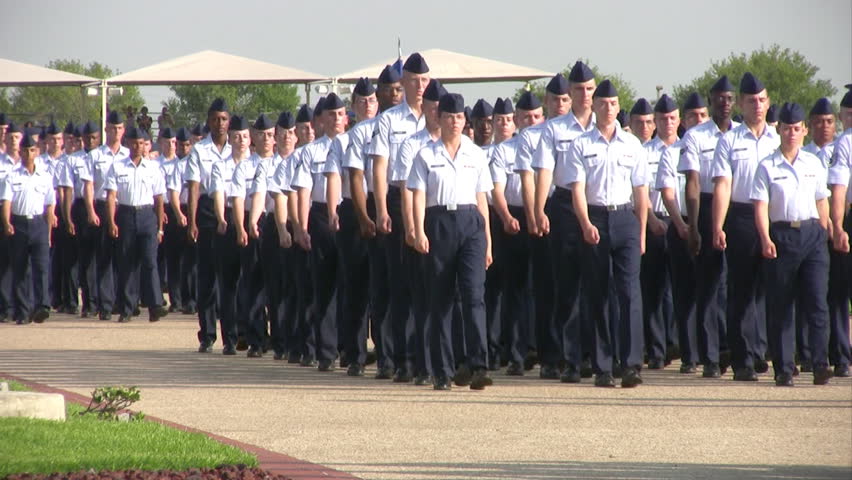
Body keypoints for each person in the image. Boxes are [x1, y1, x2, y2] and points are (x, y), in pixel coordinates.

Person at [564, 79, 649, 388]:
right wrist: (585, 224)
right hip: (596, 218)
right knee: (597, 294)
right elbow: (577, 190)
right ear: (594, 106)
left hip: (625, 218)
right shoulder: (581, 144)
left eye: (613, 104)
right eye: (603, 103)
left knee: (630, 294)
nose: (608, 108)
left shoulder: (632, 145)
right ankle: (602, 366)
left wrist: (641, 232)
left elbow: (641, 192)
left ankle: (631, 365)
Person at [408, 92, 493, 390]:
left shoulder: (476, 154)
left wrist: (488, 242)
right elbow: (418, 196)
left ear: (464, 120)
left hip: (471, 225)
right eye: (448, 117)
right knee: (440, 301)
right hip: (439, 223)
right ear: (438, 118)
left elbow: (482, 198)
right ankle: (442, 371)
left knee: (474, 296)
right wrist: (418, 231)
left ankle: (478, 366)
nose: (454, 122)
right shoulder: (425, 155)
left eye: (459, 117)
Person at [751, 102, 832, 387]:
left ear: (804, 131)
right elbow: (760, 207)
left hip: (812, 236)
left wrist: (825, 230)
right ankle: (784, 368)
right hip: (782, 237)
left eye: (797, 129)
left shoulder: (814, 163)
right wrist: (765, 237)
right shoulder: (767, 166)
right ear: (780, 130)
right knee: (781, 305)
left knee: (817, 303)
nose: (792, 134)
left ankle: (820, 364)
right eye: (787, 129)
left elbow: (822, 199)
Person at [710, 72, 779, 382]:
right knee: (742, 291)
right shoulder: (730, 140)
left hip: (773, 219)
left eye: (762, 100)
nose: (758, 105)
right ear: (740, 103)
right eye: (751, 101)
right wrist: (718, 225)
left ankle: (768, 351)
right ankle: (743, 360)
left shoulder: (778, 139)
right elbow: (723, 185)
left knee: (773, 292)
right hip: (740, 217)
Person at [532, 62, 596, 382]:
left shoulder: (605, 127)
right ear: (568, 94)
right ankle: (568, 358)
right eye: (578, 90)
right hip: (564, 208)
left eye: (589, 89)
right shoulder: (554, 130)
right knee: (567, 285)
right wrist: (539, 209)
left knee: (597, 286)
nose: (584, 95)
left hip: (598, 209)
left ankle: (594, 355)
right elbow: (544, 171)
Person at [367, 52, 429, 382]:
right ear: (402, 84)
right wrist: (381, 210)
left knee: (426, 283)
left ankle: (423, 356)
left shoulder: (437, 116)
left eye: (423, 81)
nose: (419, 87)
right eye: (413, 81)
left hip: (428, 203)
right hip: (396, 199)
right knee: (397, 284)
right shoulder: (389, 120)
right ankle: (393, 357)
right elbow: (379, 167)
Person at [679, 75, 739, 378]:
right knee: (709, 287)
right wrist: (693, 226)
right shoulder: (695, 136)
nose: (725, 103)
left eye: (730, 98)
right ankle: (711, 356)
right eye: (719, 98)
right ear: (710, 99)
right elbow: (691, 183)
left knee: (739, 286)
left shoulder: (743, 135)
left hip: (738, 210)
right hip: (704, 208)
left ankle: (739, 350)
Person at [393, 78, 447, 384]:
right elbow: (406, 192)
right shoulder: (411, 144)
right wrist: (413, 231)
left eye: (442, 108)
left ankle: (445, 362)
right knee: (420, 300)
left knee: (446, 299)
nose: (438, 113)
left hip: (449, 227)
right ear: (423, 109)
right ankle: (419, 364)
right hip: (421, 225)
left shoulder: (457, 142)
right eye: (432, 107)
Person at [346, 69, 399, 378]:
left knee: (393, 288)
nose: (394, 95)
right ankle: (355, 353)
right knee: (361, 287)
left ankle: (390, 353)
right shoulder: (362, 133)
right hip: (366, 210)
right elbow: (356, 175)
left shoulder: (411, 125)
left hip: (397, 209)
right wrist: (364, 216)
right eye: (388, 90)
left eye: (397, 90)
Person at [325, 78, 378, 376]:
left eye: (371, 101)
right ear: (353, 107)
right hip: (352, 209)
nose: (367, 105)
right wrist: (333, 210)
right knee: (354, 283)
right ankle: (354, 352)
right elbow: (334, 176)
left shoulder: (386, 130)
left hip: (381, 205)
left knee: (384, 283)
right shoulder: (344, 140)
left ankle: (387, 348)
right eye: (361, 101)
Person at [292, 93, 349, 371]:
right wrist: (302, 227)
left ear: (346, 118)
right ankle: (325, 351)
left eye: (340, 114)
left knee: (351, 286)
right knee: (323, 287)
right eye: (331, 115)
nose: (336, 119)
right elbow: (303, 191)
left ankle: (349, 348)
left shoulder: (355, 145)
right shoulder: (309, 152)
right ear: (321, 120)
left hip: (349, 214)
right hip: (320, 215)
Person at [655, 92, 708, 374]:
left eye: (702, 115)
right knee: (684, 292)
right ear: (685, 121)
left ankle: (711, 352)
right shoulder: (671, 153)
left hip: (707, 223)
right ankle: (689, 355)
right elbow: (667, 192)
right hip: (681, 225)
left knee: (711, 291)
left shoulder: (715, 145)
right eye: (692, 116)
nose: (697, 121)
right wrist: (680, 224)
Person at [492, 92, 544, 375]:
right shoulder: (505, 150)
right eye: (525, 117)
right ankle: (515, 353)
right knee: (514, 289)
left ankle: (544, 349)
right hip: (514, 219)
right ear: (517, 121)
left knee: (545, 287)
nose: (531, 122)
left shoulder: (550, 147)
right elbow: (496, 190)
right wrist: (507, 216)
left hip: (546, 218)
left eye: (536, 116)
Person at [103, 127, 168, 323]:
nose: (138, 146)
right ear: (127, 143)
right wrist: (112, 221)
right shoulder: (117, 167)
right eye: (134, 143)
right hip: (126, 214)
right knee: (127, 263)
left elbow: (159, 199)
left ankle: (155, 305)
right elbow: (111, 196)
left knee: (150, 261)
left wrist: (160, 227)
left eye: (141, 143)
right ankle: (127, 308)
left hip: (147, 215)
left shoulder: (153, 168)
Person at [249, 111, 298, 361]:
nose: (287, 138)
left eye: (291, 133)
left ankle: (297, 339)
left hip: (300, 224)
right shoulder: (266, 166)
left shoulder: (303, 160)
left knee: (298, 287)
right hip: (273, 226)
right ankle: (280, 342)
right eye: (282, 134)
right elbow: (258, 195)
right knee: (277, 288)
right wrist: (253, 220)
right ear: (275, 138)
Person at [186, 98, 232, 354]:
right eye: (215, 119)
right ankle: (207, 334)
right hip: (206, 211)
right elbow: (193, 187)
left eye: (224, 119)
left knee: (229, 277)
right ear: (209, 121)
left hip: (230, 210)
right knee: (207, 276)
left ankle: (231, 335)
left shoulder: (237, 148)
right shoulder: (199, 150)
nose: (220, 124)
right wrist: (192, 221)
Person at [640, 95, 680, 370]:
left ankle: (677, 344)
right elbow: (638, 193)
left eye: (672, 118)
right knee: (652, 289)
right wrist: (652, 219)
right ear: (655, 122)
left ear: (678, 119)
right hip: (653, 223)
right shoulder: (644, 152)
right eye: (662, 118)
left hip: (682, 225)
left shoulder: (687, 149)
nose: (667, 122)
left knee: (679, 288)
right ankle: (656, 349)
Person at [232, 114, 276, 358]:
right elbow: (238, 198)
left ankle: (279, 337)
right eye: (261, 134)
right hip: (254, 224)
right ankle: (257, 338)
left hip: (278, 223)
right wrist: (241, 227)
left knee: (278, 284)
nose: (266, 139)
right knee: (254, 283)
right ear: (253, 137)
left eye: (270, 134)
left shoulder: (283, 162)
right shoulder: (245, 167)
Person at [0, 134, 55, 324]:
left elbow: (49, 205)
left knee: (41, 267)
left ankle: (42, 306)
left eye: (32, 150)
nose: (28, 154)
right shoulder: (12, 176)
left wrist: (48, 231)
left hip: (39, 223)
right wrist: (7, 223)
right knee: (20, 269)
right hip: (19, 224)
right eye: (25, 150)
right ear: (20, 152)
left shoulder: (45, 176)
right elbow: (6, 202)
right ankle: (23, 311)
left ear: (37, 152)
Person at [208, 114, 247, 354]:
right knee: (228, 283)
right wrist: (222, 218)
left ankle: (252, 334)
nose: (241, 141)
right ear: (229, 139)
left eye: (244, 136)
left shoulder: (256, 163)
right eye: (236, 137)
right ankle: (230, 338)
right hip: (228, 221)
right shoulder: (220, 166)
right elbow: (219, 193)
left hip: (253, 221)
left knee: (252, 283)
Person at [58, 121, 100, 318]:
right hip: (81, 207)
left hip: (103, 206)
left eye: (94, 137)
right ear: (81, 139)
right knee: (84, 259)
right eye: (87, 137)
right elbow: (67, 191)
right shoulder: (72, 160)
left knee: (104, 257)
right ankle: (88, 303)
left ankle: (104, 300)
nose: (90, 141)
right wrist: (67, 218)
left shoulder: (104, 156)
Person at [90, 111, 128, 321]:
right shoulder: (96, 155)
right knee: (103, 258)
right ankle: (104, 304)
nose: (116, 132)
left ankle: (122, 303)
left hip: (123, 208)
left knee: (123, 258)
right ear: (106, 129)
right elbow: (89, 185)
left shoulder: (129, 154)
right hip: (103, 206)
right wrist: (91, 210)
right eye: (112, 128)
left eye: (120, 128)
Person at [827, 84, 852, 379]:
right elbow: (838, 188)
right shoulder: (845, 143)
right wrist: (837, 226)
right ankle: (842, 355)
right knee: (840, 290)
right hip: (849, 216)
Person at [163, 127, 196, 315]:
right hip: (178, 213)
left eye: (186, 144)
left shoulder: (194, 164)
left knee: (192, 261)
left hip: (194, 211)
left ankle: (191, 299)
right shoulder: (177, 166)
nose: (183, 148)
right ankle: (176, 300)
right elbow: (173, 192)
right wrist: (178, 214)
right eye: (181, 145)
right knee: (174, 259)